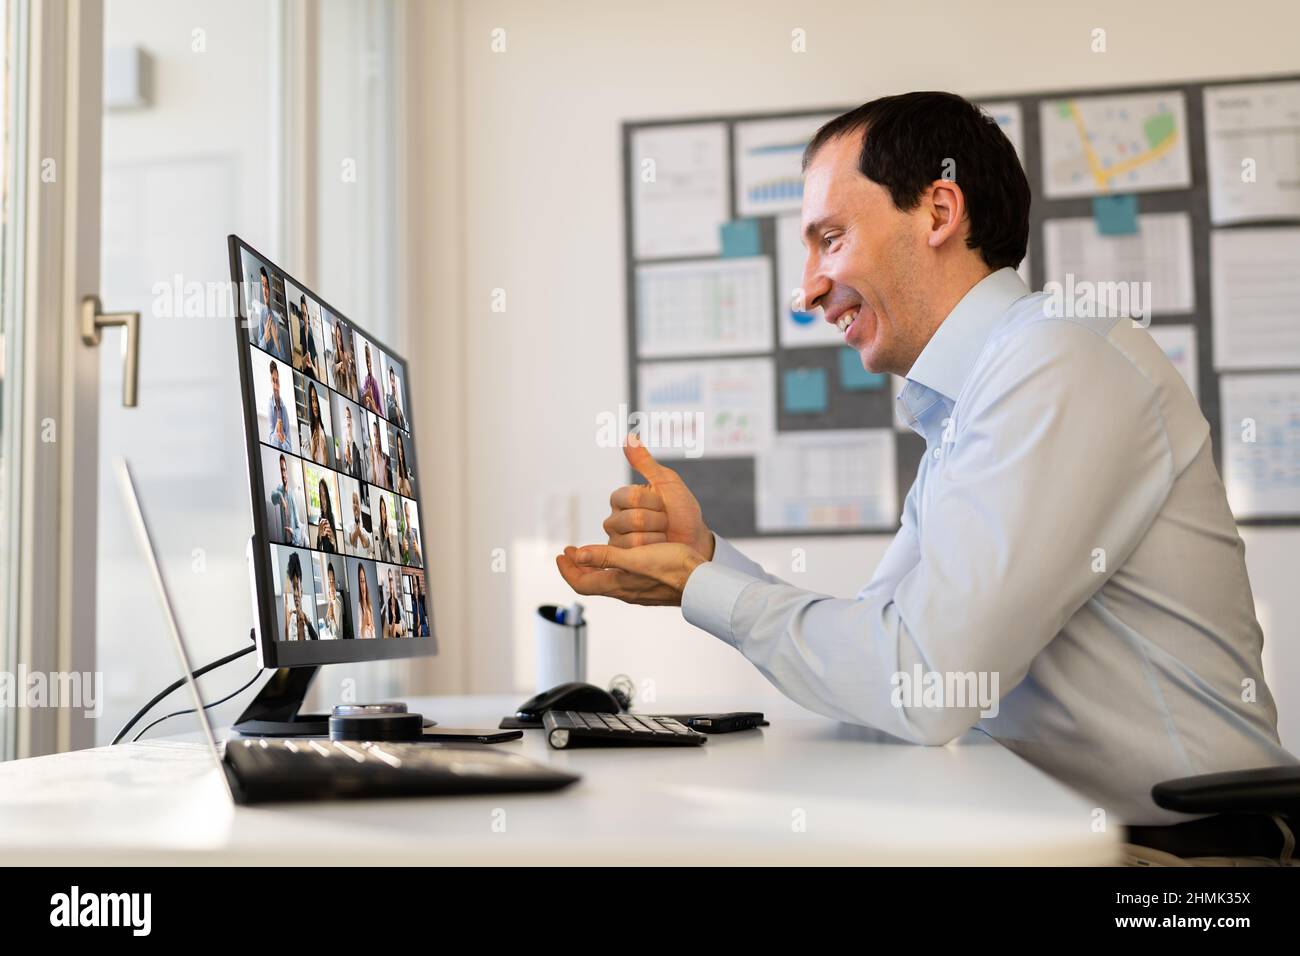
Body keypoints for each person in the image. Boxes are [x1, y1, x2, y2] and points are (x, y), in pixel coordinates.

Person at [555, 91, 1296, 848]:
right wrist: (707, 560)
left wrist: (701, 587)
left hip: (1189, 863)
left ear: (939, 212)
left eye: (831, 239)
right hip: (1084, 839)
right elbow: (882, 658)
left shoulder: (1056, 359)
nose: (808, 288)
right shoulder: (978, 393)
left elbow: (924, 684)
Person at [269, 454, 307, 547]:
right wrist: (281, 497)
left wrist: (293, 532)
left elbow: (298, 523)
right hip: (284, 540)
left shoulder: (291, 494)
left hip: (293, 540)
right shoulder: (279, 490)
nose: (283, 474)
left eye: (284, 470)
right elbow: (273, 499)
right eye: (281, 470)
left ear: (287, 472)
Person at [252, 266, 288, 361]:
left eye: (266, 286)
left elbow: (283, 357)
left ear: (270, 289)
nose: (264, 291)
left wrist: (276, 339)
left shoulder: (275, 319)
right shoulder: (262, 314)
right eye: (263, 286)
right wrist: (265, 338)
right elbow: (259, 351)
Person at [282, 551, 318, 641]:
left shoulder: (308, 619)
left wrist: (305, 619)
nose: (296, 594)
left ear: (301, 590)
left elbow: (316, 640)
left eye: (297, 588)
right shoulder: (289, 619)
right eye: (293, 588)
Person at [265, 361, 292, 452]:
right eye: (273, 381)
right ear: (270, 381)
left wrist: (283, 440)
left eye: (277, 381)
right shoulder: (269, 406)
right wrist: (277, 427)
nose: (276, 386)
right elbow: (271, 443)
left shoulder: (284, 409)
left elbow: (290, 447)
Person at [297, 293, 320, 380]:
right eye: (302, 314)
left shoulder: (310, 335)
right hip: (305, 373)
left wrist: (310, 361)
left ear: (308, 314)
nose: (304, 316)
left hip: (312, 373)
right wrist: (304, 358)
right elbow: (302, 364)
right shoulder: (301, 331)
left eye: (305, 314)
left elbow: (317, 376)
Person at [306, 384, 329, 466]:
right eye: (312, 401)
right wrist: (313, 451)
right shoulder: (309, 429)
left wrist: (324, 453)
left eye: (316, 401)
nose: (315, 405)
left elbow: (327, 460)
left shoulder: (322, 427)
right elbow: (311, 464)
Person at [321, 562, 345, 640]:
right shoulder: (330, 599)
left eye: (333, 580)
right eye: (329, 580)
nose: (331, 583)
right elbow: (327, 623)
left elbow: (338, 635)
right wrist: (328, 617)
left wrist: (332, 618)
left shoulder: (338, 602)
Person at [347, 490, 372, 557]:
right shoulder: (350, 524)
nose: (355, 505)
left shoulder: (364, 523)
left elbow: (366, 544)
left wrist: (360, 531)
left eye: (357, 503)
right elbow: (352, 542)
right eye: (353, 502)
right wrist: (357, 530)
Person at [339, 406, 363, 479]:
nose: (348, 421)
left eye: (349, 418)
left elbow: (358, 475)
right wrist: (346, 460)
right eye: (346, 418)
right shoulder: (344, 447)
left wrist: (350, 462)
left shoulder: (356, 450)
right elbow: (344, 468)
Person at [355, 563, 376, 640]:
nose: (363, 584)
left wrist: (371, 627)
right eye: (361, 581)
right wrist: (365, 617)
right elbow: (360, 635)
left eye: (364, 580)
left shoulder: (370, 605)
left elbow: (373, 629)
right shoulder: (359, 606)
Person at [316, 478, 337, 553]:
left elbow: (336, 549)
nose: (323, 498)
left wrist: (334, 541)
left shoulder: (332, 517)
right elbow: (318, 548)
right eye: (321, 494)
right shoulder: (320, 519)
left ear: (327, 496)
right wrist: (320, 535)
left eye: (324, 494)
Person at [383, 567, 405, 638]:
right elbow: (389, 625)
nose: (390, 582)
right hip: (393, 632)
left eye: (391, 580)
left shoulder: (397, 601)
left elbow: (401, 622)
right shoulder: (388, 602)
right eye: (389, 580)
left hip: (399, 630)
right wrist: (393, 617)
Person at [360, 344, 383, 414]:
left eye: (369, 357)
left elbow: (380, 408)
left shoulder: (375, 382)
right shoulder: (365, 381)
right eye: (366, 359)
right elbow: (364, 401)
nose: (368, 361)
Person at [400, 499, 422, 567]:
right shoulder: (405, 535)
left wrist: (418, 550)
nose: (408, 517)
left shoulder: (416, 532)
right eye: (406, 515)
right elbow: (404, 560)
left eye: (408, 514)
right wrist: (403, 550)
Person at [377, 497, 398, 564]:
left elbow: (393, 554)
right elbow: (383, 554)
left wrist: (391, 540)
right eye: (382, 509)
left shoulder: (387, 527)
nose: (384, 512)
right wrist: (386, 537)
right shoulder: (379, 529)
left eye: (385, 510)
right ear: (380, 511)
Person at [369, 420, 388, 489]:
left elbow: (386, 477)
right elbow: (373, 471)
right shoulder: (372, 450)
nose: (376, 437)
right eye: (374, 435)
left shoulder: (383, 454)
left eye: (377, 435)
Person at [394, 431, 414, 496]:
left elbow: (412, 497)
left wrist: (410, 491)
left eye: (401, 447)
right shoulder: (398, 469)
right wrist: (398, 487)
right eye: (398, 447)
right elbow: (397, 492)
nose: (400, 450)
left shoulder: (407, 473)